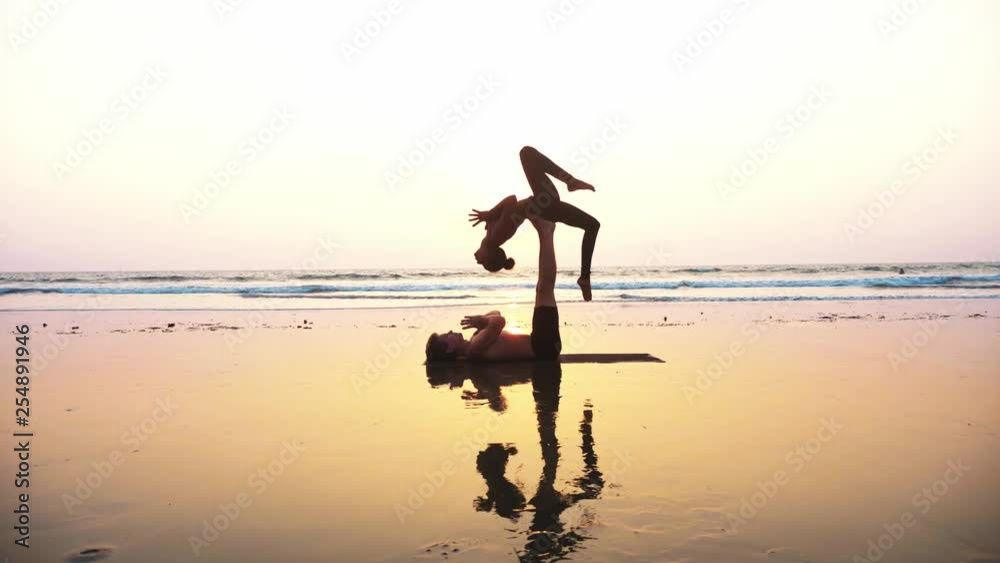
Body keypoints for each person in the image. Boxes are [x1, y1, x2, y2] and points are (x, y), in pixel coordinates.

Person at [470, 146, 600, 301]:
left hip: (546, 208)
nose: (477, 260)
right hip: (543, 203)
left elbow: (509, 207)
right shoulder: (496, 235)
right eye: (483, 261)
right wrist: (490, 213)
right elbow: (511, 199)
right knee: (526, 153)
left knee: (592, 225)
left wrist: (490, 217)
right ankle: (570, 181)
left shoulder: (493, 234)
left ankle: (584, 278)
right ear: (490, 253)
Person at [426, 216, 562, 362]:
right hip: (544, 348)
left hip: (541, 344)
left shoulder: (475, 339)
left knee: (542, 288)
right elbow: (499, 321)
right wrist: (483, 321)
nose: (450, 332)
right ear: (450, 349)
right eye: (447, 336)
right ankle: (546, 232)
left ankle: (545, 232)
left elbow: (496, 313)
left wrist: (481, 322)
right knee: (544, 289)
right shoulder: (473, 349)